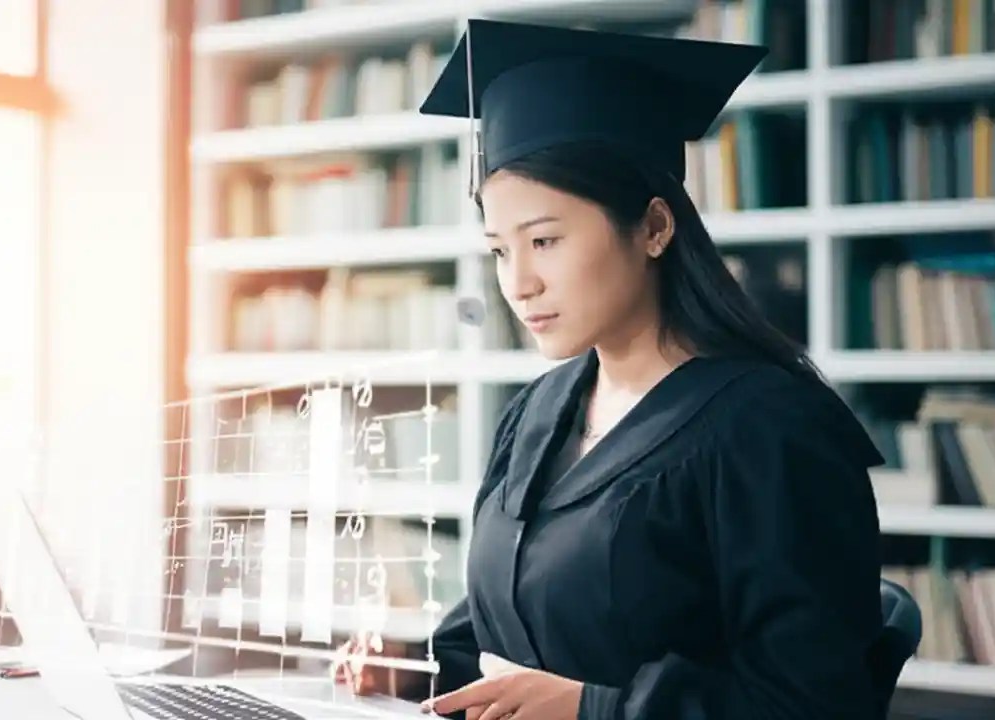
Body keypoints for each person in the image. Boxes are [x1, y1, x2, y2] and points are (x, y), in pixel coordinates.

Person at [334, 18, 890, 720]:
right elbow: (503, 613)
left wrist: (595, 708)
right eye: (500, 251)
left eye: (545, 240)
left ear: (655, 227)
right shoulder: (538, 411)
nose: (520, 283)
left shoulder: (769, 431)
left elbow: (820, 703)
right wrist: (409, 669)